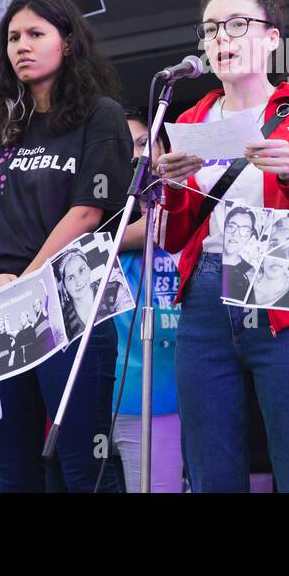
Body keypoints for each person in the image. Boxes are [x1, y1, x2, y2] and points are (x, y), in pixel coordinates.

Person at [155, 0, 289, 492]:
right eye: (213, 29)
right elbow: (174, 238)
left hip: (286, 293)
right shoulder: (191, 122)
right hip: (204, 301)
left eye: (238, 25)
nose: (223, 38)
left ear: (271, 40)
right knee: (210, 469)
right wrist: (172, 187)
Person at [0, 0, 131, 492]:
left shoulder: (99, 116)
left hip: (68, 303)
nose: (22, 46)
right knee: (13, 473)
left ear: (69, 43)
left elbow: (86, 212)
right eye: (13, 37)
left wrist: (27, 282)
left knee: (83, 466)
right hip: (2, 313)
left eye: (36, 33)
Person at [110, 108, 184, 493]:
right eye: (124, 148)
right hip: (118, 395)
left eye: (143, 143)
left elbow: (166, 224)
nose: (137, 156)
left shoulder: (189, 206)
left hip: (173, 394)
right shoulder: (97, 215)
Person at [218, 206, 260, 303]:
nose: (235, 233)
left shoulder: (250, 271)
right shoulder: (207, 264)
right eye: (231, 226)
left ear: (250, 237)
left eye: (245, 230)